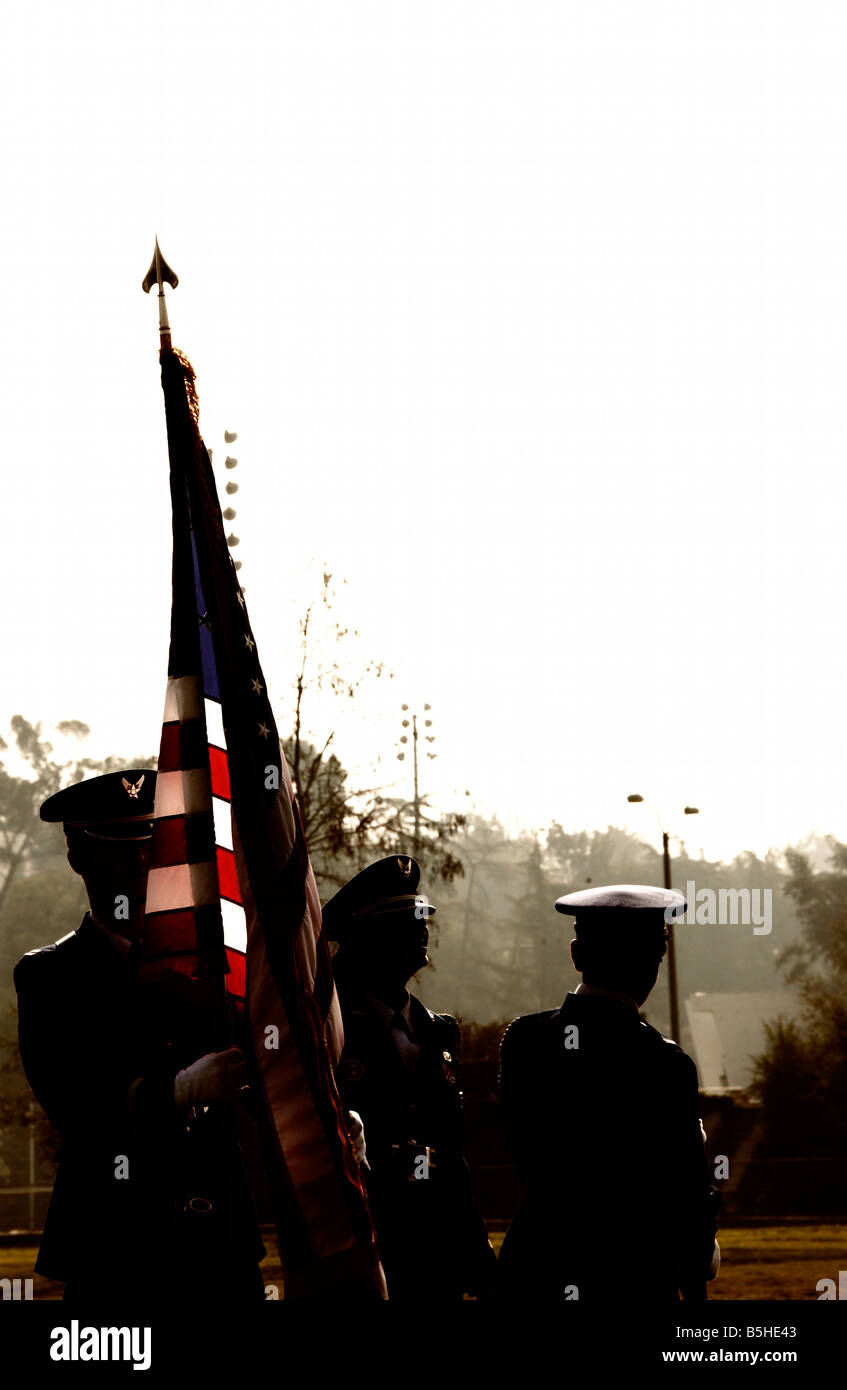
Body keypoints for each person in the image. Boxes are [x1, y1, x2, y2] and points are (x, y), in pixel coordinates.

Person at [14, 769, 265, 1301]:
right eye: (117, 852)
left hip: (218, 1232)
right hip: (115, 1237)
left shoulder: (210, 966)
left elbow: (249, 1078)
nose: (140, 867)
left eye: (151, 849)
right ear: (77, 857)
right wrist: (173, 1093)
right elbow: (78, 1108)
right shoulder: (50, 977)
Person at [497, 883, 719, 1303]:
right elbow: (686, 1198)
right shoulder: (663, 1063)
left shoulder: (524, 1039)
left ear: (577, 956)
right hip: (629, 1278)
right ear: (657, 960)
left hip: (533, 1269)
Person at [324, 854, 496, 1301]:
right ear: (363, 937)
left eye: (422, 919)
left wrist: (480, 1263)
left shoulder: (437, 1030)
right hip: (367, 1252)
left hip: (437, 1257)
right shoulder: (330, 1029)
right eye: (403, 921)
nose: (421, 930)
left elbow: (451, 1158)